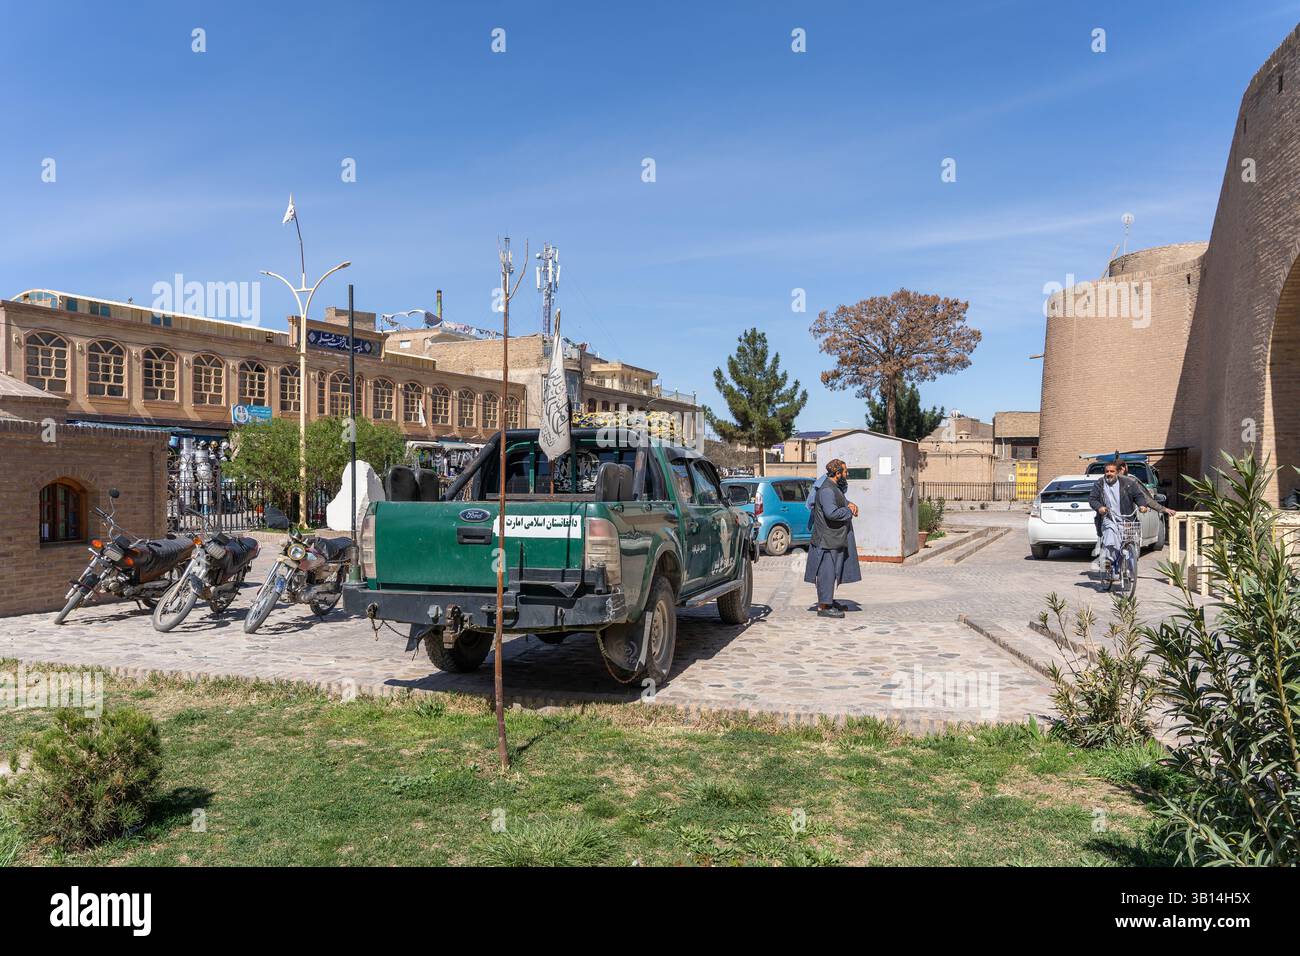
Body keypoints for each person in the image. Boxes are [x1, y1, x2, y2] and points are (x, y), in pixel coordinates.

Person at [1088, 460, 1176, 583]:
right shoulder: (1100, 483)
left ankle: (1130, 571)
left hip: (1127, 518)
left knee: (1130, 545)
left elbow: (1139, 496)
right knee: (1110, 540)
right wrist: (1100, 507)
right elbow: (1092, 499)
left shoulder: (1128, 483)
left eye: (1112, 471)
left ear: (1118, 472)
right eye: (1107, 471)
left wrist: (1142, 506)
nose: (1109, 474)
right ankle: (1108, 567)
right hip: (1109, 518)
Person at [804, 458, 860, 618]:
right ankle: (824, 606)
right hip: (826, 539)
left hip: (833, 538)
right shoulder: (827, 490)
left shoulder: (833, 487)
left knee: (833, 570)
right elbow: (831, 512)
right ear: (837, 474)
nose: (847, 474)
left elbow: (840, 501)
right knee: (826, 571)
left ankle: (828, 600)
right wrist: (848, 512)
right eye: (845, 471)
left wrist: (849, 504)